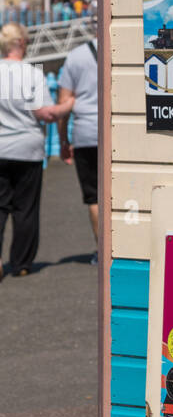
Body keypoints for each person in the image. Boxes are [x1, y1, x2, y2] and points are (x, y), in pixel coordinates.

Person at [0, 24, 63, 279]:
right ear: (22, 43)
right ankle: (21, 263)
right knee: (25, 208)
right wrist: (67, 106)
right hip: (28, 148)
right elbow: (44, 113)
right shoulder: (32, 73)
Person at [55, 34, 99, 261]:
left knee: (94, 198)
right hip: (118, 131)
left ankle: (103, 252)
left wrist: (63, 141)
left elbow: (63, 103)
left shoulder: (75, 56)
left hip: (86, 134)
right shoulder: (124, 46)